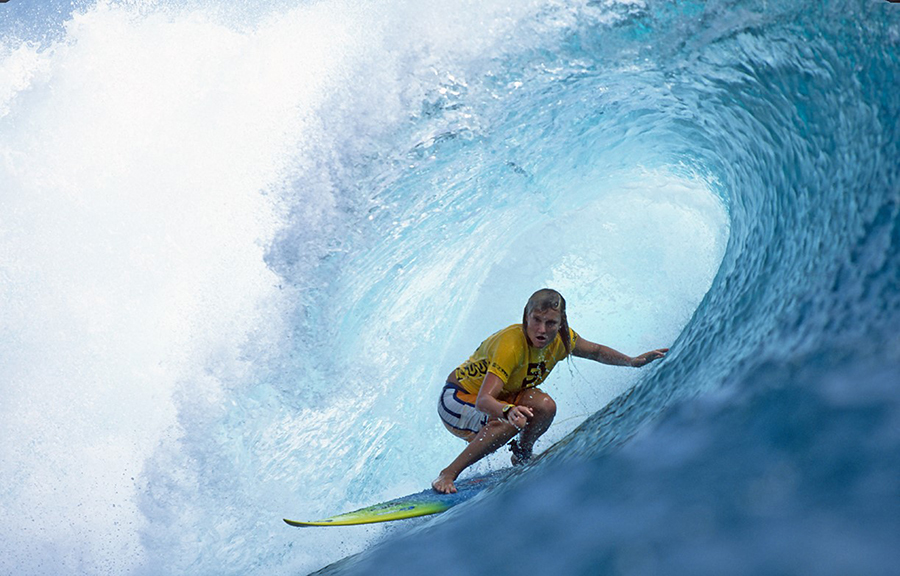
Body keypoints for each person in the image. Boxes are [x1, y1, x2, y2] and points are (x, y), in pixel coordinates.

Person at [432, 288, 668, 494]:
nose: (542, 330)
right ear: (526, 317)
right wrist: (507, 410)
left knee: (545, 406)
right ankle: (448, 473)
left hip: (500, 397)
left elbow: (595, 351)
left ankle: (522, 455)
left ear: (561, 322)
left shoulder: (563, 339)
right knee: (511, 420)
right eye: (536, 320)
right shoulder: (510, 345)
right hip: (457, 399)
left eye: (551, 323)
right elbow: (485, 399)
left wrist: (631, 361)